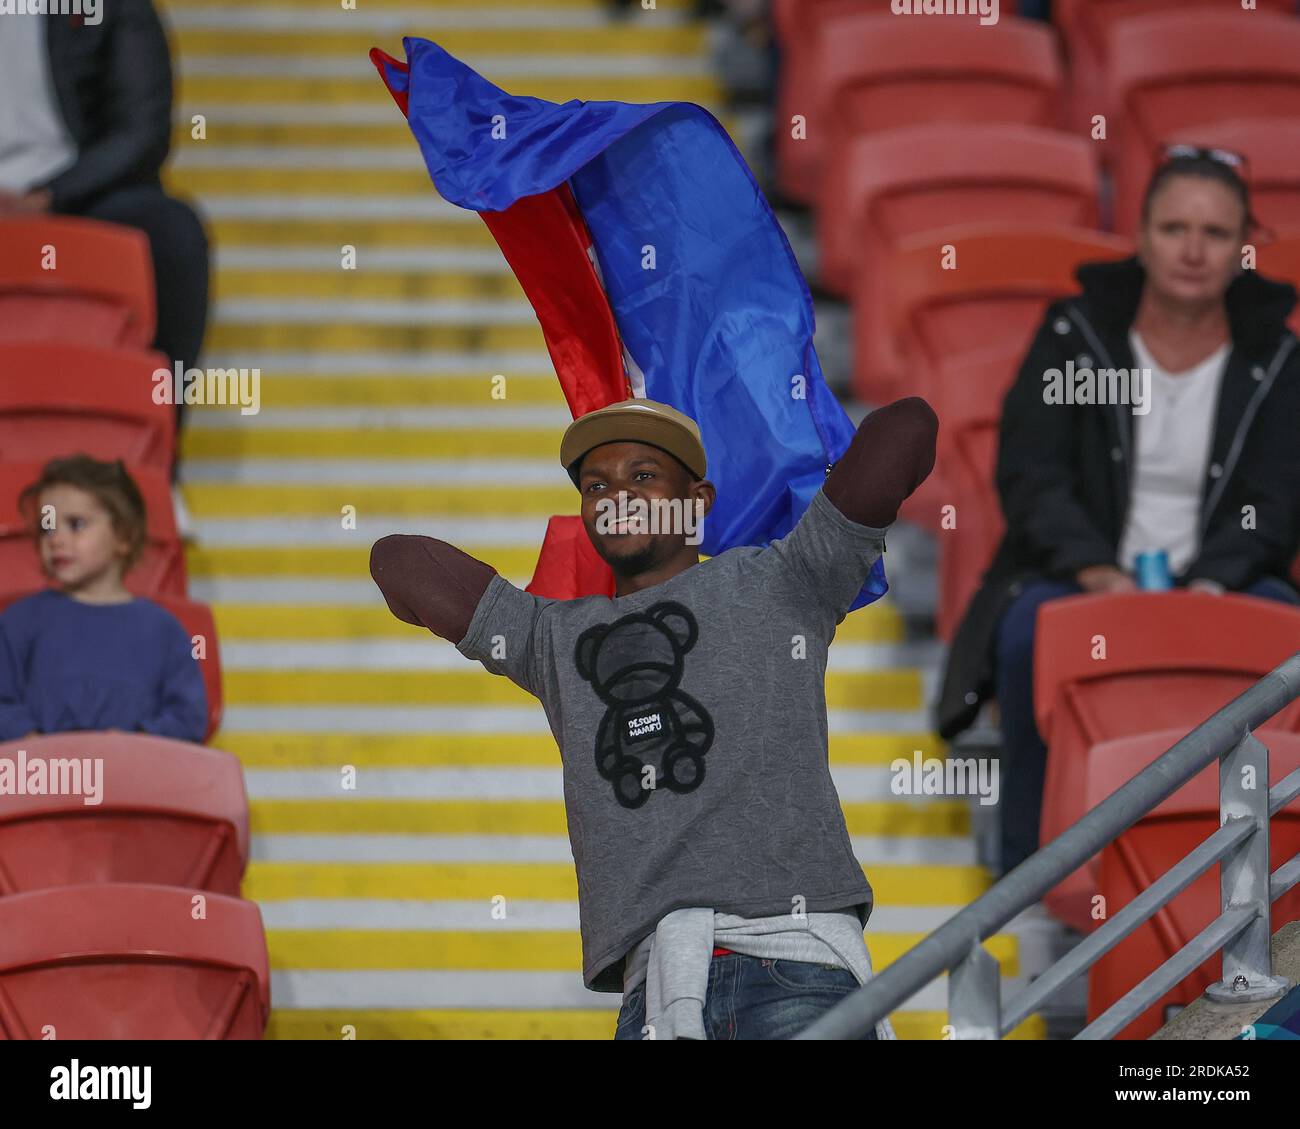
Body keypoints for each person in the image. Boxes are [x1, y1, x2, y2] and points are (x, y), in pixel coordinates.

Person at [371, 395, 938, 1040]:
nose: (617, 495)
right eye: (595, 486)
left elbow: (909, 425)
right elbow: (396, 560)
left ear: (698, 499)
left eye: (644, 476)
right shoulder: (556, 637)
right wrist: (524, 606)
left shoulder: (783, 580)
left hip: (795, 962)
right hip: (657, 990)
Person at [935, 147, 1300, 876]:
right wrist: (1098, 571)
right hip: (1081, 574)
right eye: (1173, 228)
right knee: (1023, 638)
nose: (1193, 251)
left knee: (1288, 651)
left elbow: (1280, 496)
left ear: (1243, 248)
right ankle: (1028, 874)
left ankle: (1257, 879)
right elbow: (1032, 473)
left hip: (1226, 579)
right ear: (1139, 234)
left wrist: (1213, 581)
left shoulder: (1279, 356)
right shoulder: (1078, 332)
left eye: (1216, 233)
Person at [0, 0, 211, 502]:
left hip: (73, 194)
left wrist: (49, 198)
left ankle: (157, 472)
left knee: (172, 235)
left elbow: (143, 131)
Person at [0, 455, 208, 744]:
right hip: (40, 780)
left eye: (76, 524)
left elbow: (188, 715)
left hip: (137, 781)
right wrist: (28, 740)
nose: (55, 539)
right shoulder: (17, 622)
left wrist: (140, 742)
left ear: (123, 535)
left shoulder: (163, 630)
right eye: (47, 526)